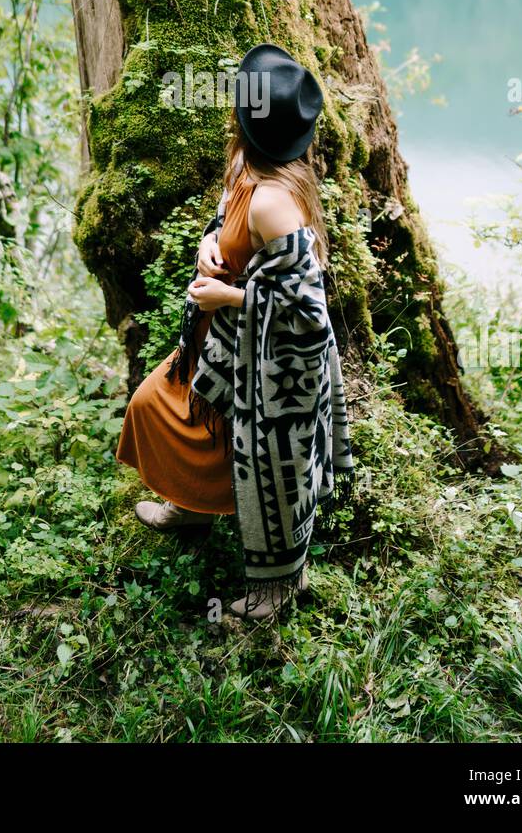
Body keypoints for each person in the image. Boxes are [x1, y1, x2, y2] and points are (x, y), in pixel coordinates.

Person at [116, 43, 355, 619]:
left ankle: (276, 591)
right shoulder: (245, 168)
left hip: (273, 369)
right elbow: (225, 224)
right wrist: (207, 247)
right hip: (223, 349)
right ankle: (194, 506)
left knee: (272, 468)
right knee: (157, 405)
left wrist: (232, 296)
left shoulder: (275, 201)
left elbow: (308, 314)